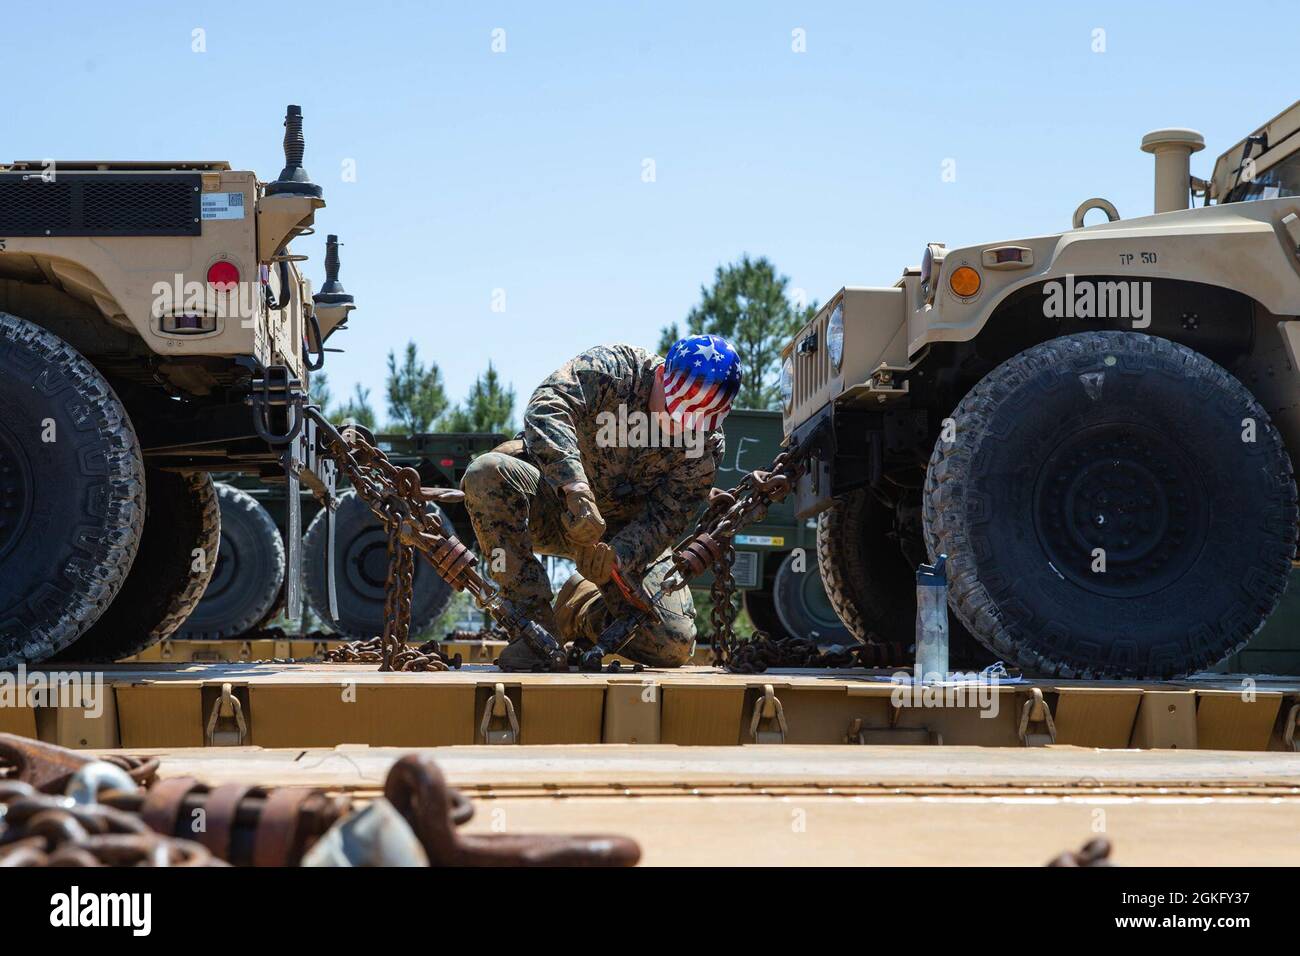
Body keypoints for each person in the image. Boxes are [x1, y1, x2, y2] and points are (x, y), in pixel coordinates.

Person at [460, 335, 741, 670]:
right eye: (673, 411)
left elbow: (667, 518)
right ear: (662, 375)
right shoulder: (614, 370)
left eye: (692, 423)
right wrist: (574, 487)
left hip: (624, 535)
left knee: (672, 643)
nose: (680, 426)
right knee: (486, 473)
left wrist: (617, 558)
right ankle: (535, 627)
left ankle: (578, 607)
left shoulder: (705, 447)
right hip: (554, 504)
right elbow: (547, 407)